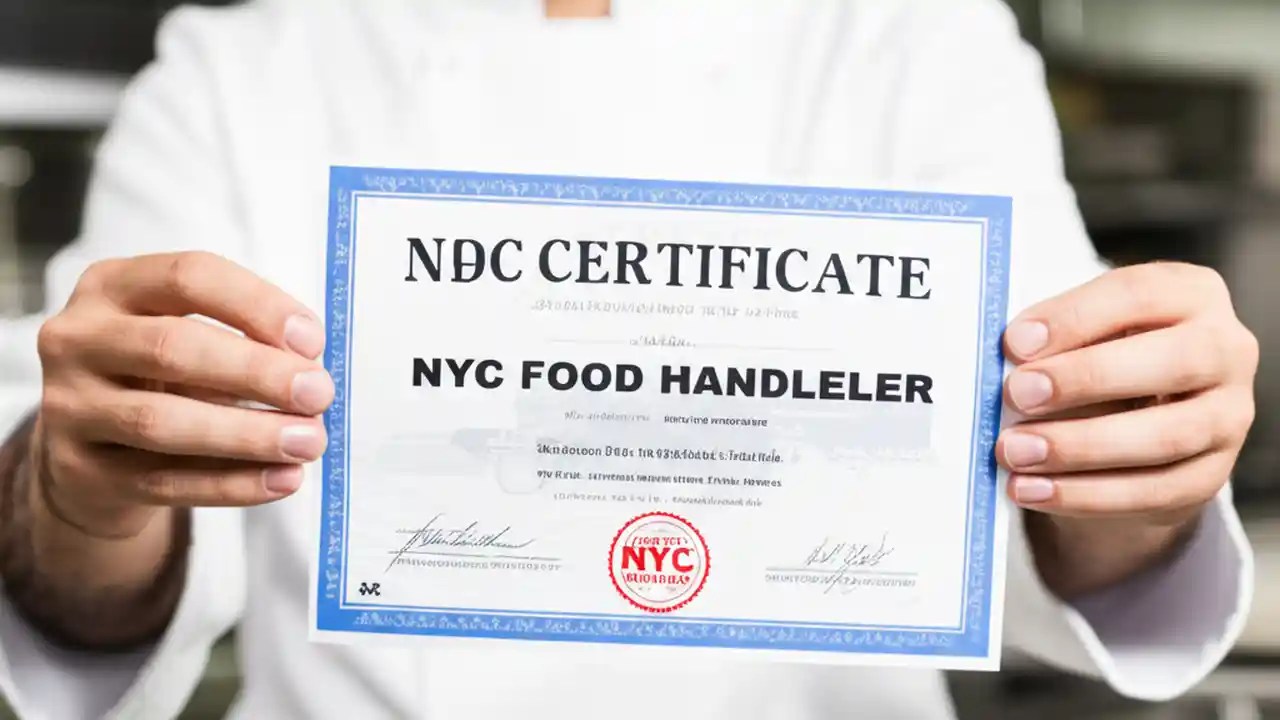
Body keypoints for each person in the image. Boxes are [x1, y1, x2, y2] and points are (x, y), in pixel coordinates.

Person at [0, 0, 1259, 718]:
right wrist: (83, 489)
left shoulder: (914, 39)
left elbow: (1035, 508)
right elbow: (98, 590)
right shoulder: (239, 68)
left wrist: (1136, 459)